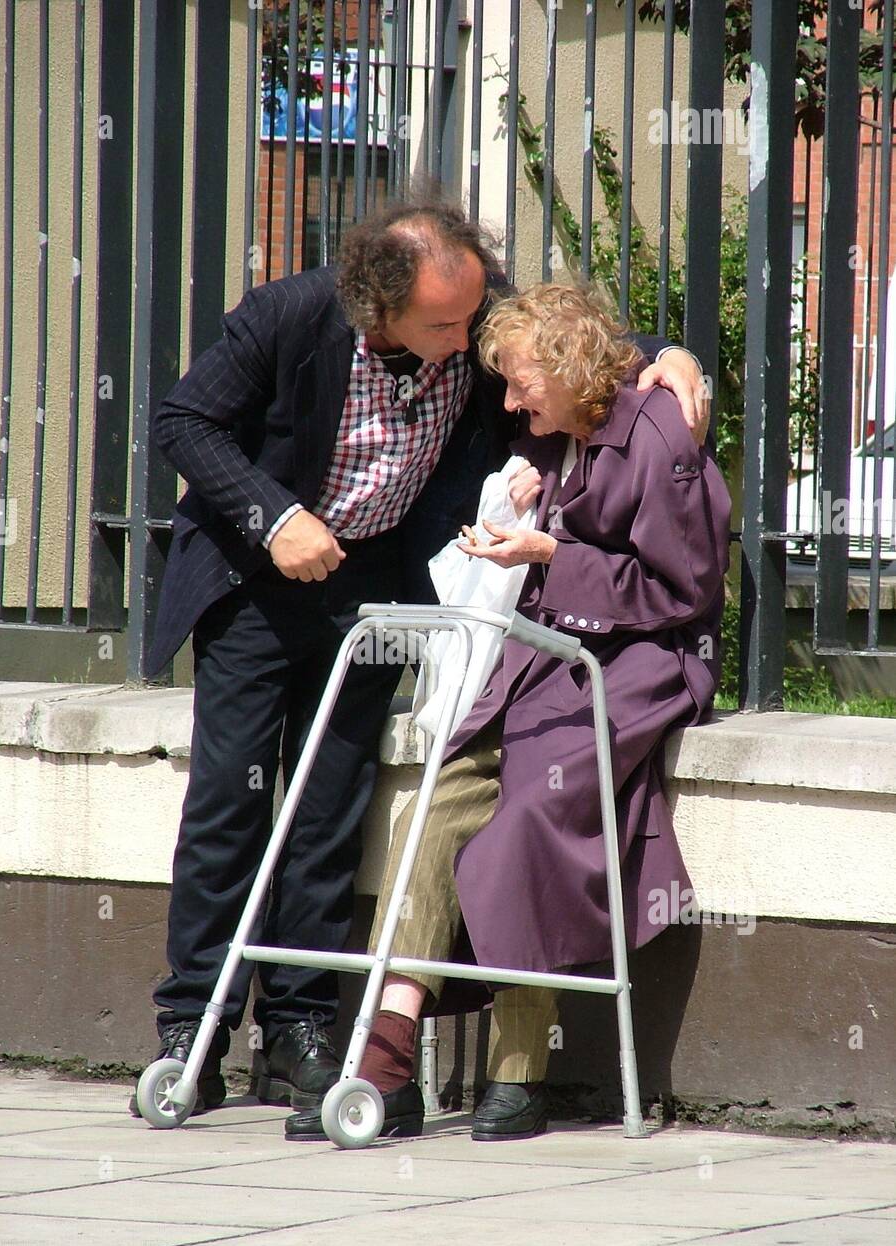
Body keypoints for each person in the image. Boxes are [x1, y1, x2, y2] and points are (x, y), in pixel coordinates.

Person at [134, 200, 711, 1118]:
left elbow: (574, 348)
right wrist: (276, 517)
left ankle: (301, 1030)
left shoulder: (468, 309)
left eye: (469, 315)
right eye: (444, 323)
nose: (466, 335)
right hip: (259, 576)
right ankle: (192, 1028)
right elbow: (183, 422)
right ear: (379, 306)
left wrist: (672, 358)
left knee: (331, 802)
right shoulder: (285, 317)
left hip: (367, 586)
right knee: (230, 803)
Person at [285, 274, 731, 1142]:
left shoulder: (658, 433)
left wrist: (550, 556)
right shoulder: (568, 426)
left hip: (638, 663)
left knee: (530, 811)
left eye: (523, 380)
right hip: (550, 652)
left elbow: (682, 589)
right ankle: (387, 1056)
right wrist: (517, 539)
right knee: (438, 803)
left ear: (568, 368)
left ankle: (520, 1073)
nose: (512, 398)